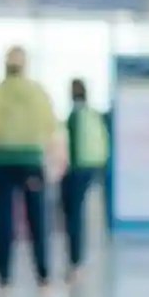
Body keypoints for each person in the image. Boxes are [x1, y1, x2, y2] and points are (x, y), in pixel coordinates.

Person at [0, 47, 58, 297]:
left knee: (3, 220)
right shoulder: (37, 93)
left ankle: (4, 281)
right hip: (31, 161)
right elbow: (50, 127)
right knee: (37, 220)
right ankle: (44, 280)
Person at [61, 79, 108, 285]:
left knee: (73, 215)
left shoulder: (74, 117)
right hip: (93, 167)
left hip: (77, 168)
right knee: (78, 213)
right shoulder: (93, 114)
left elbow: (71, 147)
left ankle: (75, 261)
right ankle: (77, 261)